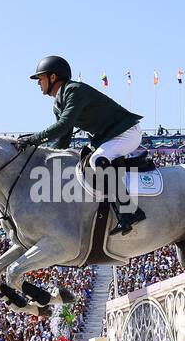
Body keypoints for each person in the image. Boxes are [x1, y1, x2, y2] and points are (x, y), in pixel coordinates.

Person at [14, 55, 147, 235]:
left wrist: (33, 140)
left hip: (126, 132)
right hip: (108, 137)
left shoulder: (73, 91)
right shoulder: (58, 104)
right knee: (87, 160)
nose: (38, 83)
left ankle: (130, 210)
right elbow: (63, 139)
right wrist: (47, 159)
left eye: (40, 78)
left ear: (53, 78)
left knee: (98, 159)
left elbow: (63, 126)